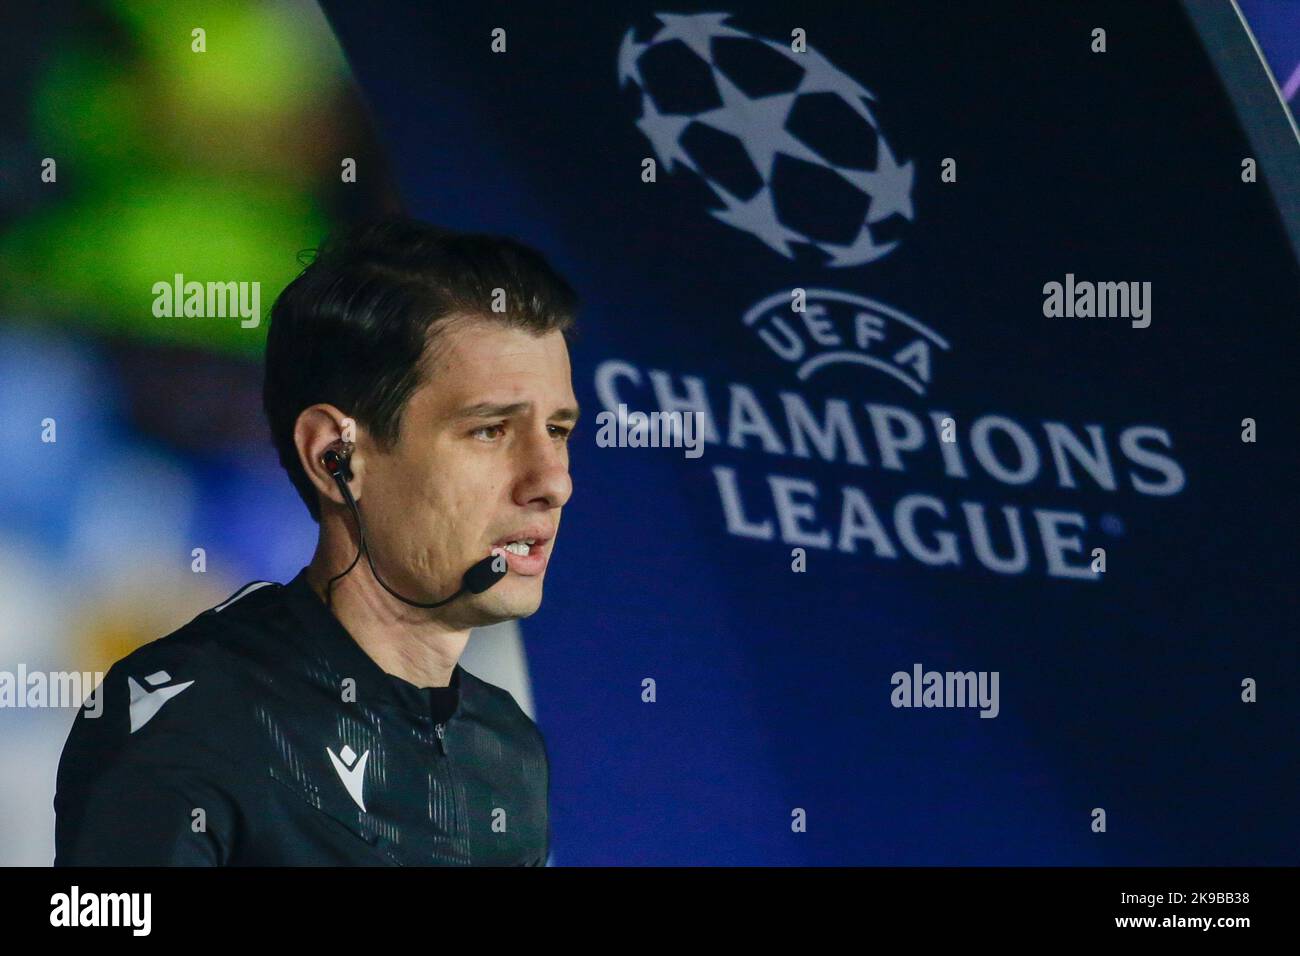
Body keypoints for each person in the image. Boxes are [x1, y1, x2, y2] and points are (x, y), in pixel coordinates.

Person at [54, 216, 580, 865]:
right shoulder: (180, 718)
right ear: (337, 456)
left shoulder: (508, 749)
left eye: (558, 431)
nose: (553, 482)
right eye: (489, 431)